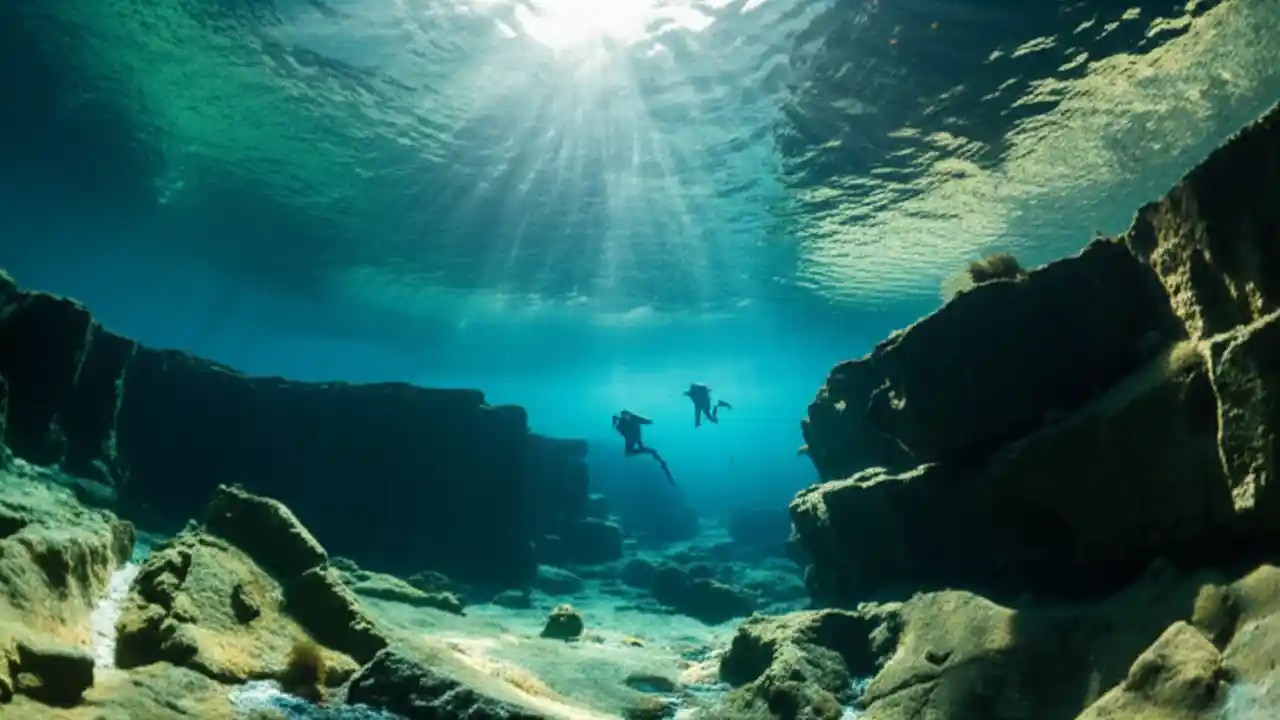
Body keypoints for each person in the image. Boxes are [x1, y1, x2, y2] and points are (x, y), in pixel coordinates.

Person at [612, 410, 674, 484]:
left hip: (635, 440)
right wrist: (615, 421)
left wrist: (648, 421)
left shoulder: (634, 418)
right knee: (628, 453)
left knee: (632, 451)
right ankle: (654, 454)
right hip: (631, 441)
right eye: (624, 415)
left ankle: (657, 458)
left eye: (627, 415)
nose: (626, 417)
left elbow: (647, 421)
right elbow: (619, 430)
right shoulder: (623, 421)